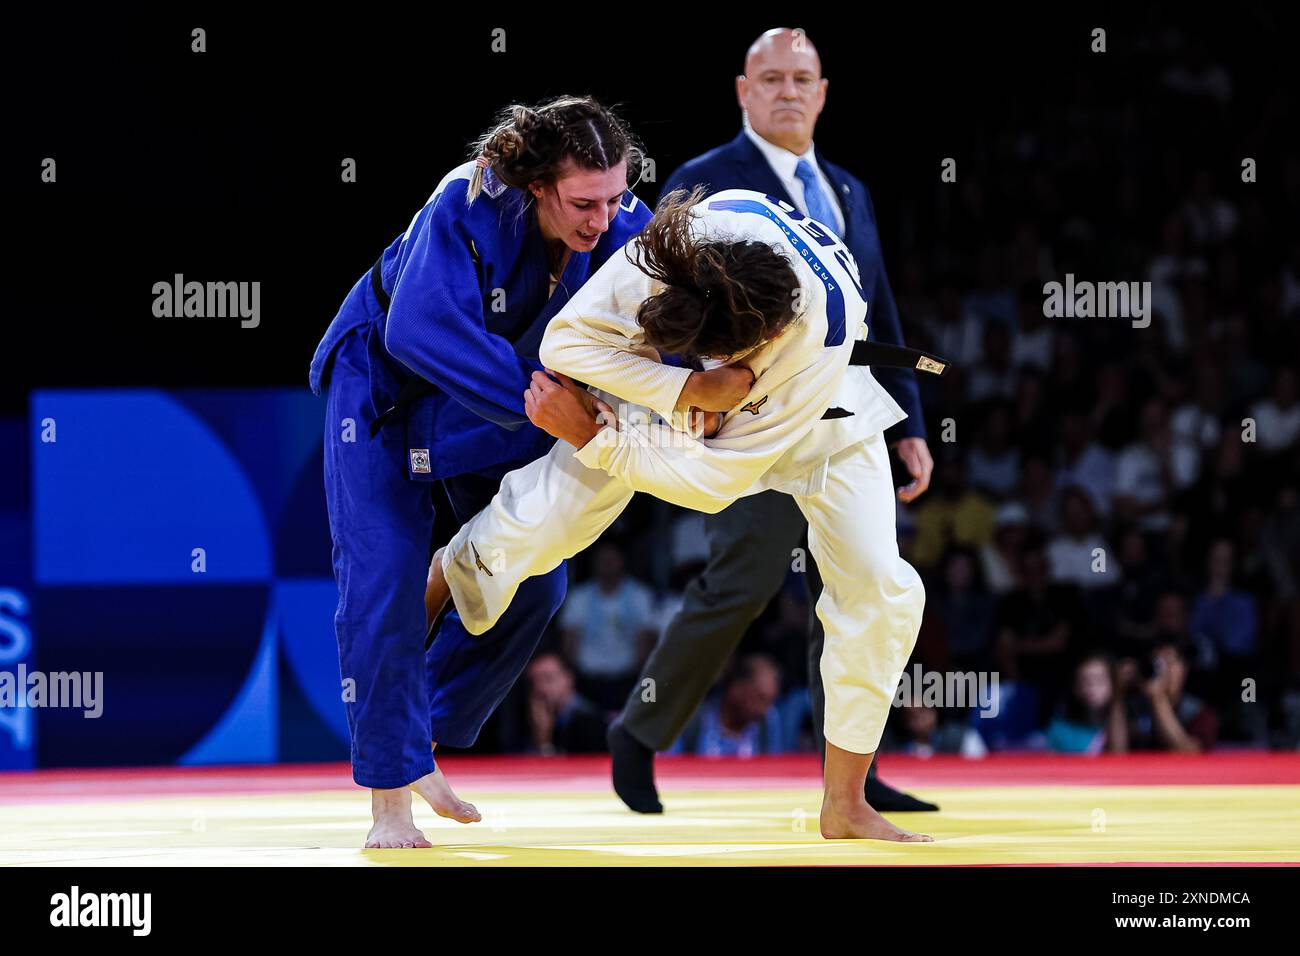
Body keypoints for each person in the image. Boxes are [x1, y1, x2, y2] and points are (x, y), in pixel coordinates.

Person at [429, 186, 933, 841]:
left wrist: (596, 436)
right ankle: (454, 567)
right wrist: (686, 386)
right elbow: (567, 342)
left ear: (764, 336)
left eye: (732, 356)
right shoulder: (669, 251)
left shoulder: (816, 331)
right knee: (566, 504)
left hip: (819, 412)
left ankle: (845, 801)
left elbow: (711, 485)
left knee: (879, 586)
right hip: (684, 386)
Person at [607, 26, 939, 815]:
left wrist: (912, 425)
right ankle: (641, 729)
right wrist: (693, 396)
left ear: (824, 93)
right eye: (772, 78)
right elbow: (665, 305)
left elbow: (878, 313)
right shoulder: (704, 177)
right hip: (752, 418)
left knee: (854, 580)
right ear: (743, 91)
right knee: (746, 577)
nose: (788, 90)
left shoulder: (849, 191)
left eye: (803, 78)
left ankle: (850, 772)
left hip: (846, 415)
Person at [309, 96, 656, 848]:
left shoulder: (624, 222)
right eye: (582, 202)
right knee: (384, 582)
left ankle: (416, 736)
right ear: (539, 187)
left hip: (483, 406)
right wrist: (547, 405)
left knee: (536, 576)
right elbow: (417, 328)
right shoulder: (467, 197)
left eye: (613, 197)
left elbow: (678, 314)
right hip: (383, 387)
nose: (602, 218)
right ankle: (389, 803)